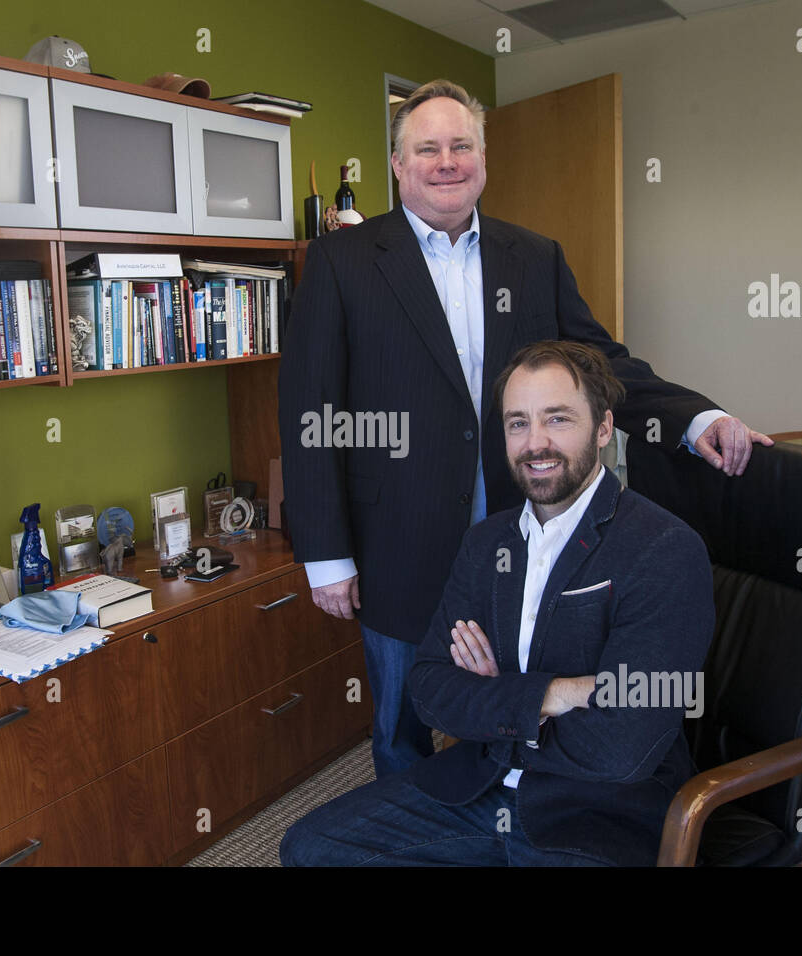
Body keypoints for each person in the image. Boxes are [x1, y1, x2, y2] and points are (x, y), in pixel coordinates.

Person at [277, 78, 769, 777]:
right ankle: (417, 834)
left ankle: (510, 819)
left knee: (514, 699)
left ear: (483, 156)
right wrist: (326, 554)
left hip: (521, 530)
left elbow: (603, 364)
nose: (446, 161)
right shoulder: (342, 261)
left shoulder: (534, 257)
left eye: (461, 145)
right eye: (427, 148)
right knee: (400, 724)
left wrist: (697, 419)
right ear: (396, 163)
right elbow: (310, 412)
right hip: (398, 544)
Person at [280, 341, 714, 866]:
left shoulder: (662, 548)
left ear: (602, 428)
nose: (536, 443)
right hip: (480, 788)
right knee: (310, 848)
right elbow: (431, 691)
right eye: (517, 423)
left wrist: (492, 704)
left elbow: (623, 744)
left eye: (557, 419)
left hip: (597, 814)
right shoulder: (487, 544)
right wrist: (554, 695)